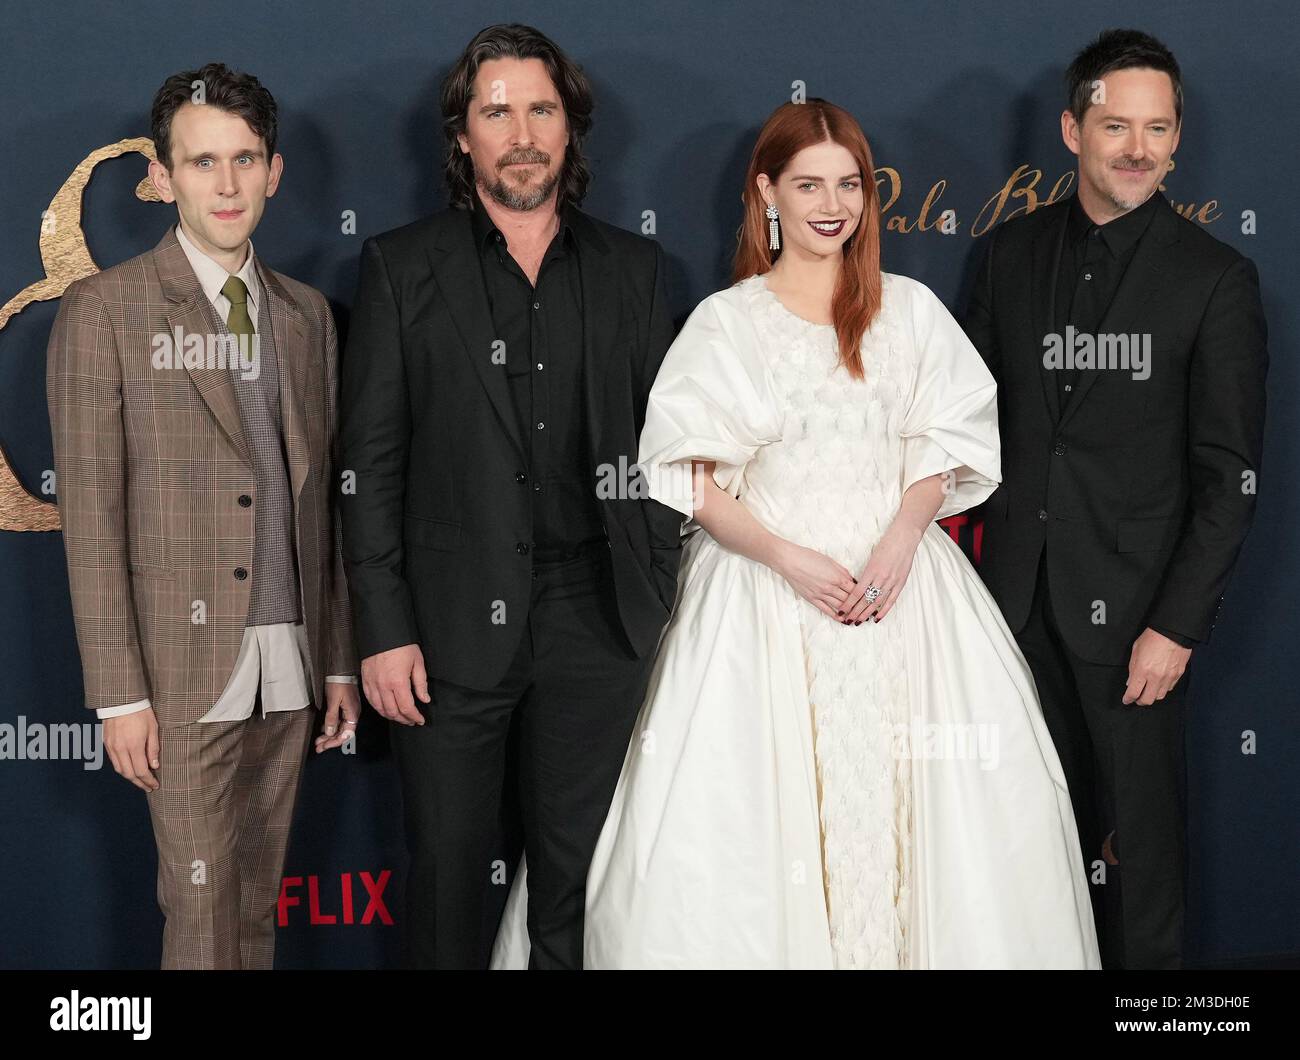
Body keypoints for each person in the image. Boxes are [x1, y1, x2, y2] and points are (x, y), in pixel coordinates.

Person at [491, 99, 1100, 969]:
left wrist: (900, 536)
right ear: (766, 192)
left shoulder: (913, 311)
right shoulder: (728, 322)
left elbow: (947, 443)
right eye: (808, 182)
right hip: (764, 596)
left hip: (907, 599)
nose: (831, 203)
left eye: (849, 183)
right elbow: (687, 473)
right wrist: (787, 557)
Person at [338, 24, 682, 969]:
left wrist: (651, 592)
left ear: (570, 129)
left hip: (597, 622)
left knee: (575, 886)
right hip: (444, 630)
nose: (521, 131)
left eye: (541, 109)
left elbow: (670, 453)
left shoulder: (634, 270)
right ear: (462, 136)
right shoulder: (402, 269)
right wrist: (382, 627)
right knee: (448, 879)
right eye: (498, 111)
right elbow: (369, 464)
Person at [45, 62, 360, 969]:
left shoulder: (306, 318)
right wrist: (120, 693)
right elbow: (92, 516)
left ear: (275, 172)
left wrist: (337, 657)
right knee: (197, 911)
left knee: (255, 904)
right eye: (202, 163)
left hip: (288, 657)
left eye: (244, 160)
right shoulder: (105, 310)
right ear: (163, 176)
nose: (226, 185)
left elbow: (323, 508)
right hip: (178, 672)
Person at [965, 29, 1268, 969]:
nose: (1138, 148)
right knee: (1019, 852)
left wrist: (1175, 627)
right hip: (1008, 612)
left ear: (1177, 141)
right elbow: (967, 424)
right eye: (1116, 125)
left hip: (1136, 623)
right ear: (1072, 129)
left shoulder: (1216, 279)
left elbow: (1230, 478)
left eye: (1158, 128)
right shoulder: (1007, 255)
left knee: (1137, 862)